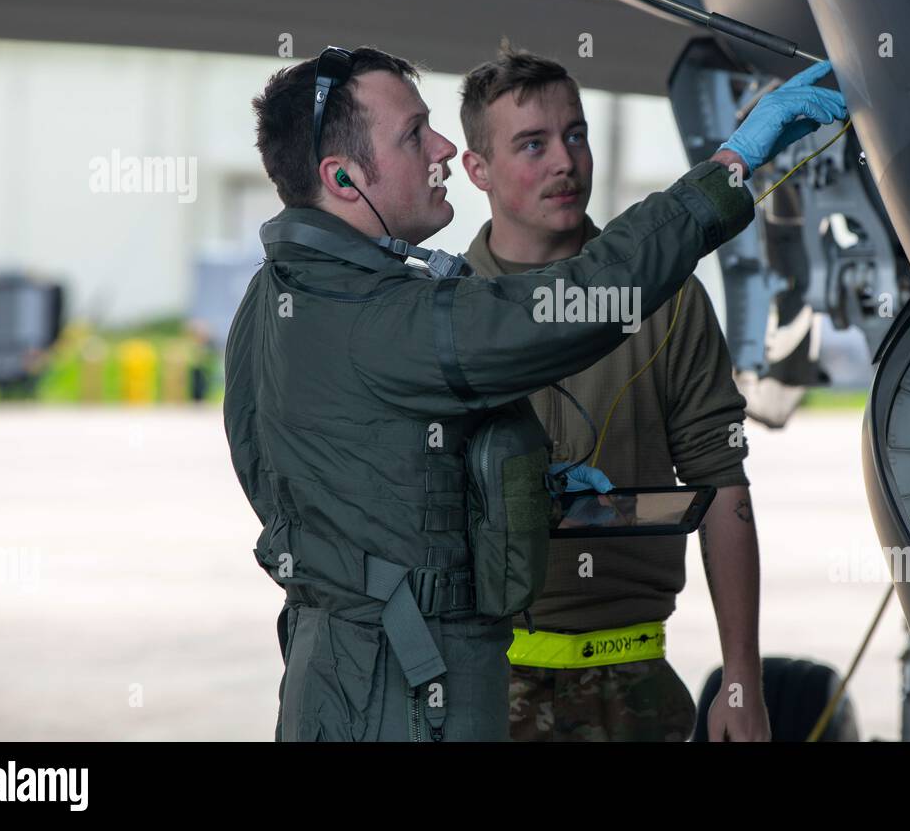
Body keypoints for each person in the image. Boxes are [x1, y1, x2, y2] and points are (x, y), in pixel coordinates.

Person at [224, 43, 844, 741]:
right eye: (413, 134)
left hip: (343, 675)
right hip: (402, 692)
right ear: (343, 178)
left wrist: (496, 494)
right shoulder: (390, 315)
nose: (442, 147)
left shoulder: (274, 295)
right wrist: (732, 166)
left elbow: (291, 471)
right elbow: (580, 303)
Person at [460, 46, 843, 741]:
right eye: (532, 144)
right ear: (476, 170)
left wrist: (740, 678)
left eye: (575, 134)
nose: (565, 162)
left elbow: (722, 481)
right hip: (485, 687)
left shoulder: (668, 301)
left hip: (634, 685)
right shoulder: (445, 312)